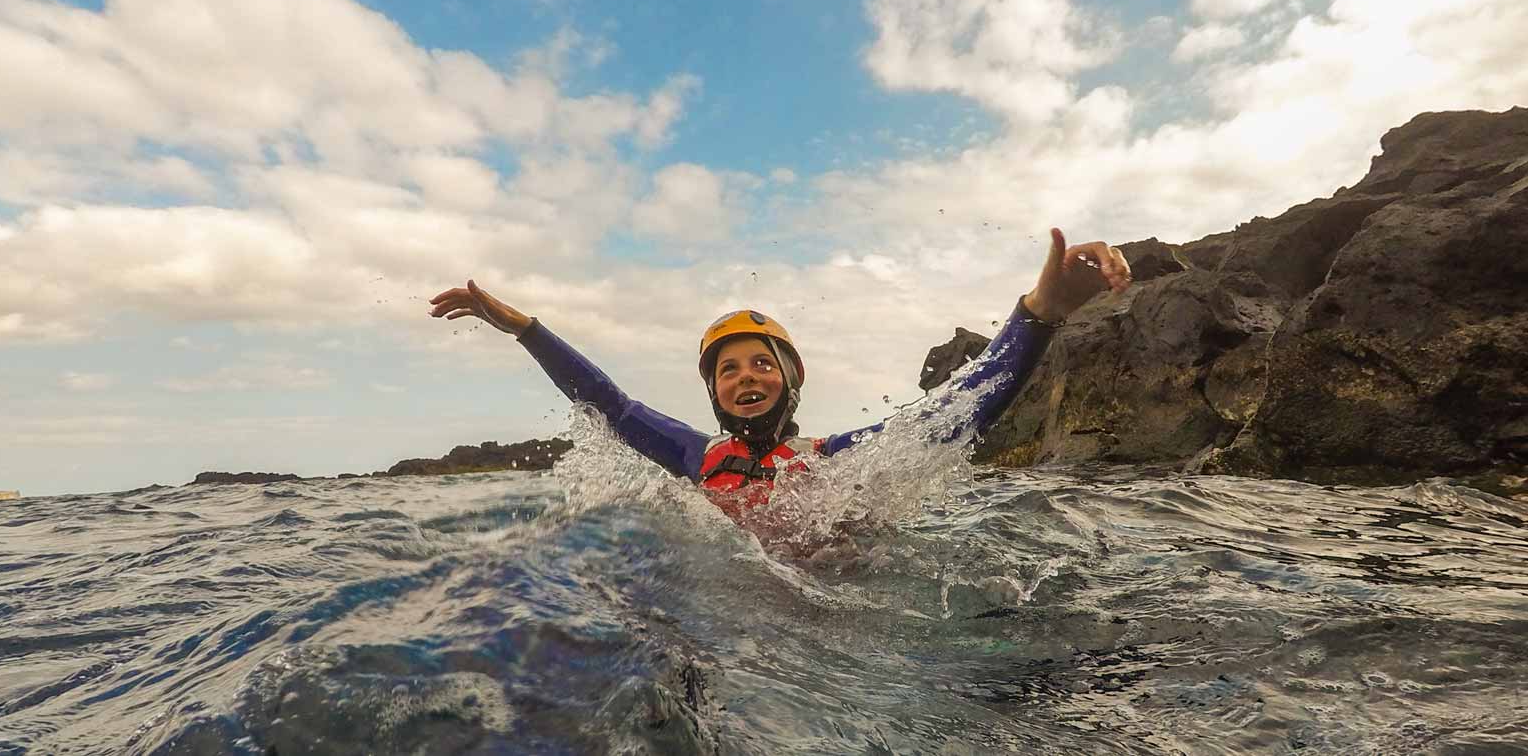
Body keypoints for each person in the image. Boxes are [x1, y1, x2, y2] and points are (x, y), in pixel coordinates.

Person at [429, 228, 1131, 527]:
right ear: (713, 394)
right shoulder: (691, 455)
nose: (745, 377)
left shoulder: (832, 462)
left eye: (762, 362)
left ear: (791, 382)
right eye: (728, 370)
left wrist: (1041, 313)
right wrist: (526, 330)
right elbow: (607, 404)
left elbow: (960, 410)